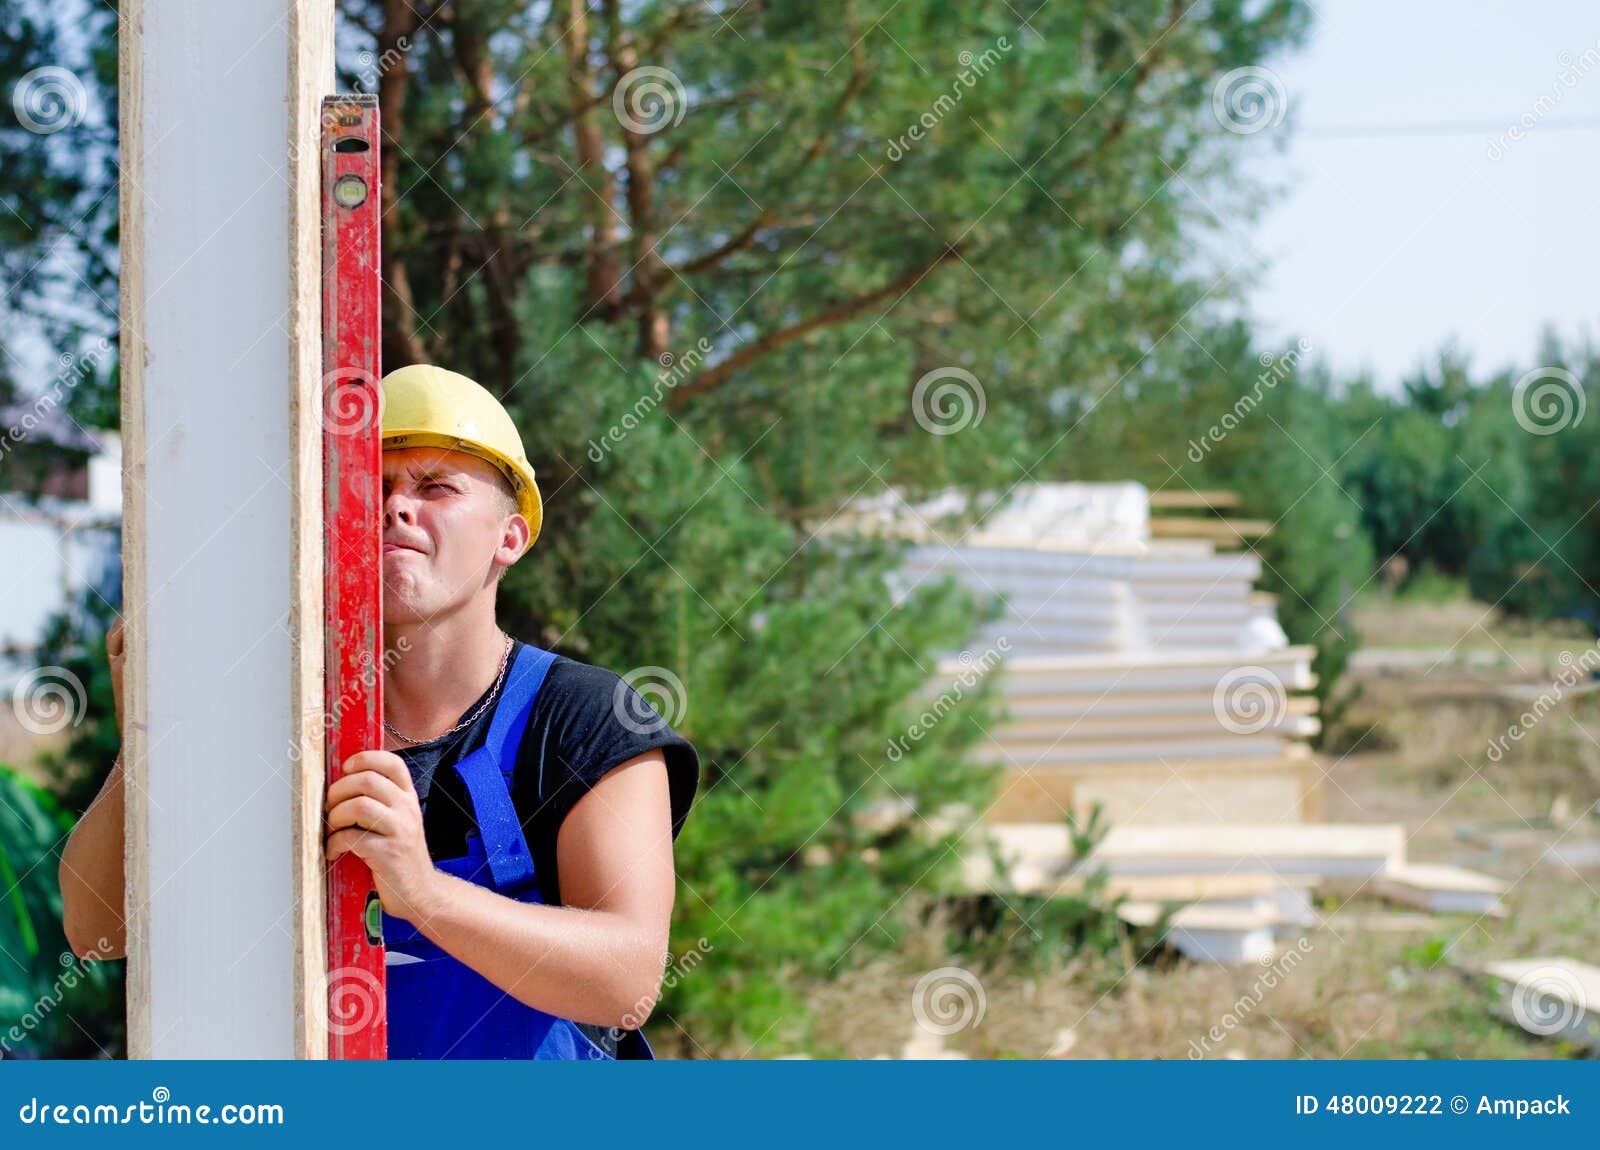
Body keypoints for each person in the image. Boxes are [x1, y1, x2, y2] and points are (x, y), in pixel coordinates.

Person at [60, 364, 699, 1060]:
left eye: (436, 487)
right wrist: (148, 748)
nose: (396, 507)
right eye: (377, 488)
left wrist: (424, 894)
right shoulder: (282, 725)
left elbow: (628, 979)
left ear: (509, 538)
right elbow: (98, 931)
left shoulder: (585, 719)